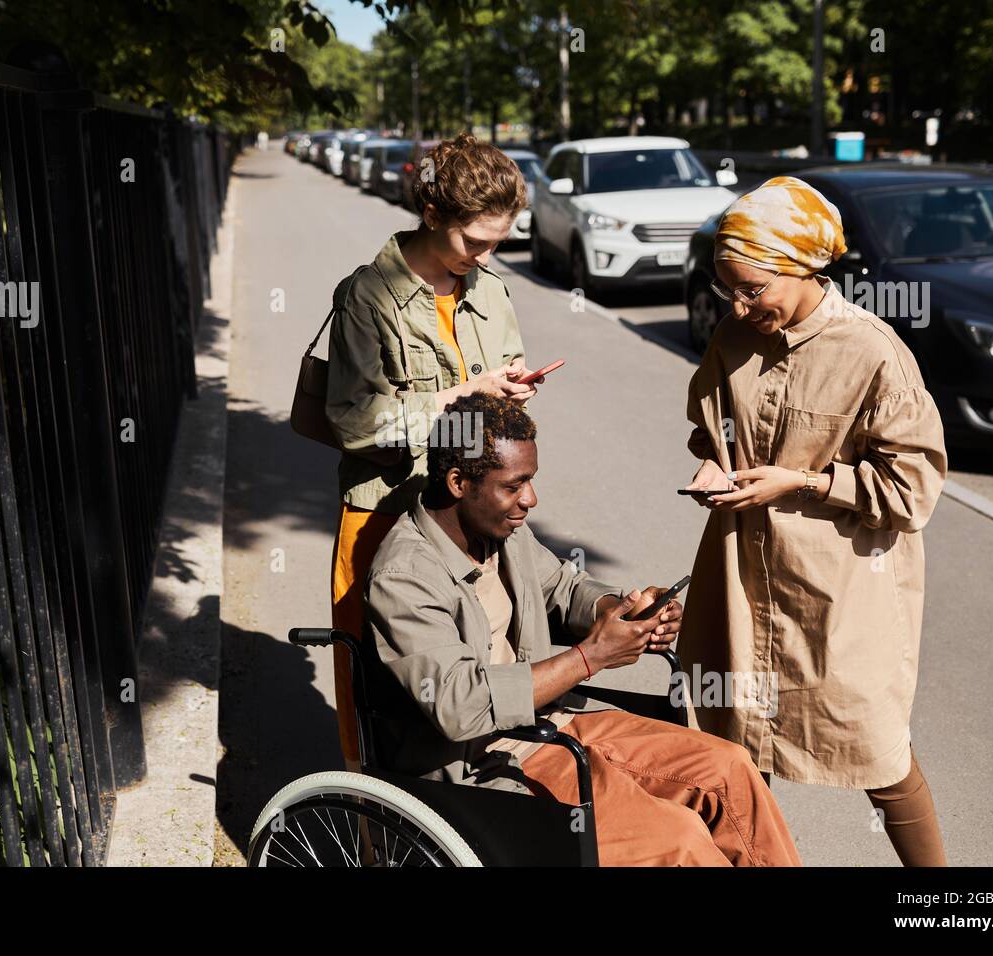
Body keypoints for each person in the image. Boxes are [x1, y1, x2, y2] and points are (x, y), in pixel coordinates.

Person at [363, 392, 802, 866]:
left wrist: (624, 612)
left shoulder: (498, 530)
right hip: (486, 765)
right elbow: (460, 705)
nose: (530, 499)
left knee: (731, 770)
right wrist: (591, 656)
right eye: (515, 486)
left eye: (530, 481)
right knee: (678, 841)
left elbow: (563, 590)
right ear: (457, 483)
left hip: (555, 722)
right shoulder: (404, 576)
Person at [680, 175, 949, 866]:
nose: (738, 306)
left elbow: (913, 488)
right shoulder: (733, 339)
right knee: (734, 751)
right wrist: (715, 466)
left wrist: (804, 481)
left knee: (876, 750)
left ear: (805, 268)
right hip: (741, 578)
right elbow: (710, 430)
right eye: (728, 288)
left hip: (841, 593)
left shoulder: (874, 352)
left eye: (753, 289)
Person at [324, 132, 542, 770]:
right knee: (375, 699)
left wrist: (511, 397)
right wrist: (461, 396)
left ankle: (478, 815)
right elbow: (352, 420)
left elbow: (495, 410)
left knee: (478, 677)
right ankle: (374, 832)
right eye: (474, 240)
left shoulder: (491, 291)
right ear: (432, 215)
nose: (486, 253)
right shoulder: (367, 296)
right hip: (384, 513)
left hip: (465, 517)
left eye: (498, 240)